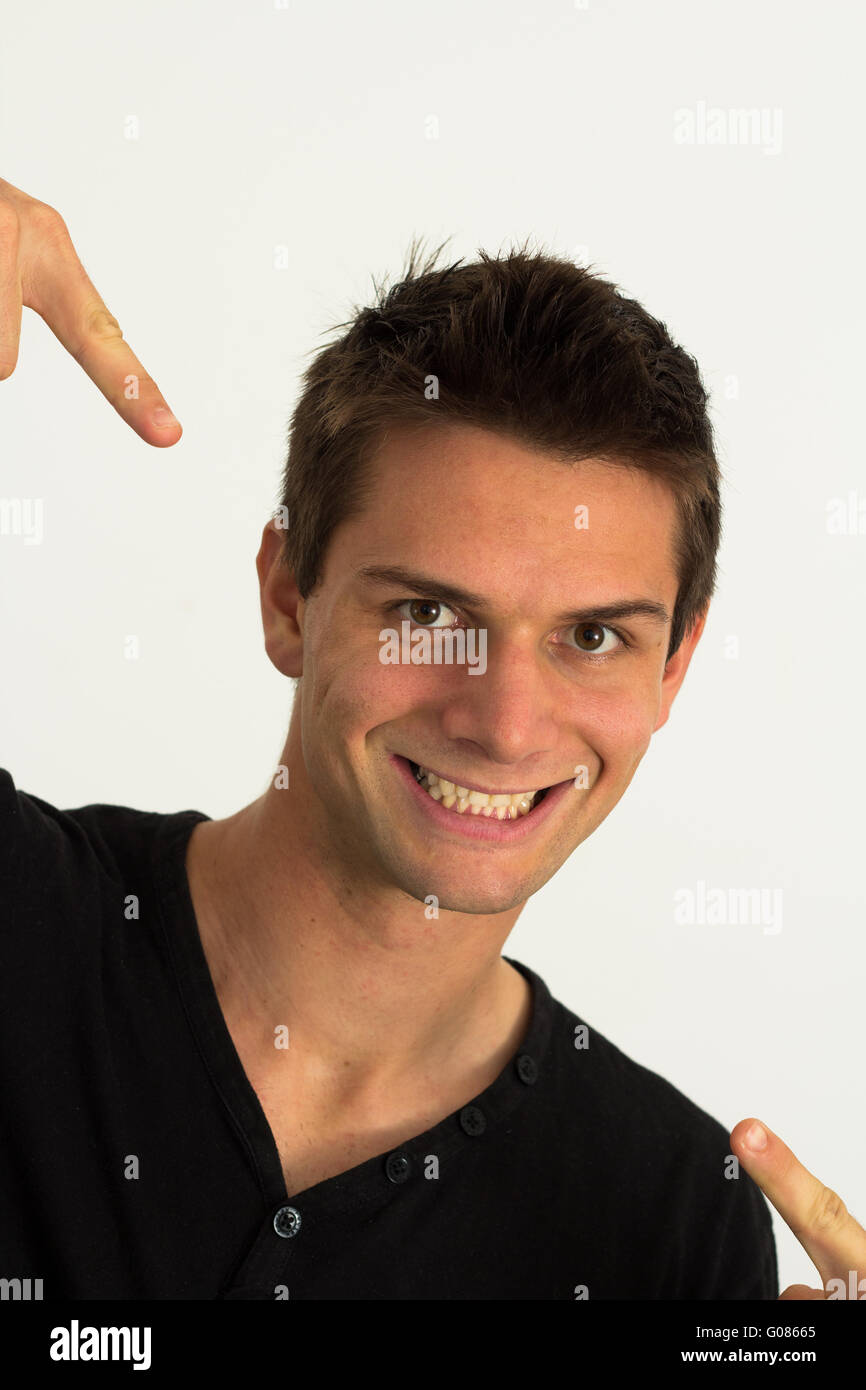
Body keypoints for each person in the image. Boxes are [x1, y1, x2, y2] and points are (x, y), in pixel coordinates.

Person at [0, 176, 862, 1301]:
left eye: (592, 635)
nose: (503, 723)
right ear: (287, 597)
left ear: (673, 667)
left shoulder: (669, 1226)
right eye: (427, 615)